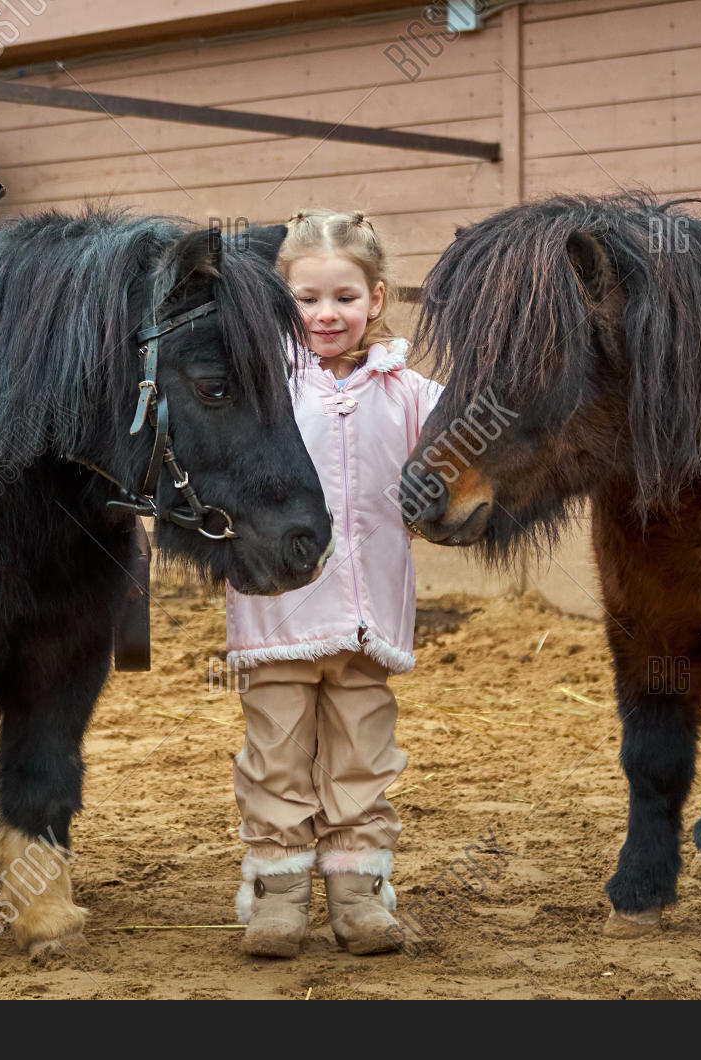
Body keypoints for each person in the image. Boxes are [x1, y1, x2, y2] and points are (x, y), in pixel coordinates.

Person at [226, 209, 444, 957]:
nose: (326, 314)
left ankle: (359, 895)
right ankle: (277, 897)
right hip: (279, 615)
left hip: (370, 619)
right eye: (307, 299)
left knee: (362, 756)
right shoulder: (263, 392)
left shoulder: (412, 392)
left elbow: (462, 455)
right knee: (276, 756)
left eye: (345, 298)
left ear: (376, 299)